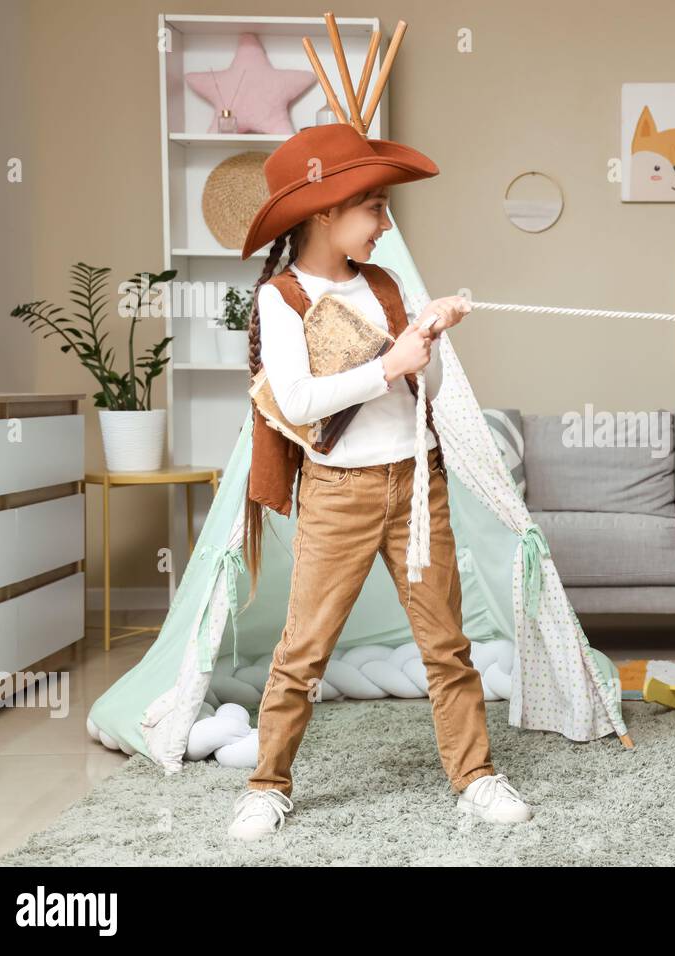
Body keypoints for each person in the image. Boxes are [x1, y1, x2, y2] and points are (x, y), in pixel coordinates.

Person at [228, 124, 532, 841]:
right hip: (339, 495)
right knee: (303, 650)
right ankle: (267, 785)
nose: (387, 222)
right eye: (374, 207)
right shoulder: (283, 297)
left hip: (416, 486)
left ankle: (476, 775)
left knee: (447, 645)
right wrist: (390, 363)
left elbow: (424, 386)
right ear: (325, 210)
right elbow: (297, 402)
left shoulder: (388, 286)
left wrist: (425, 341)